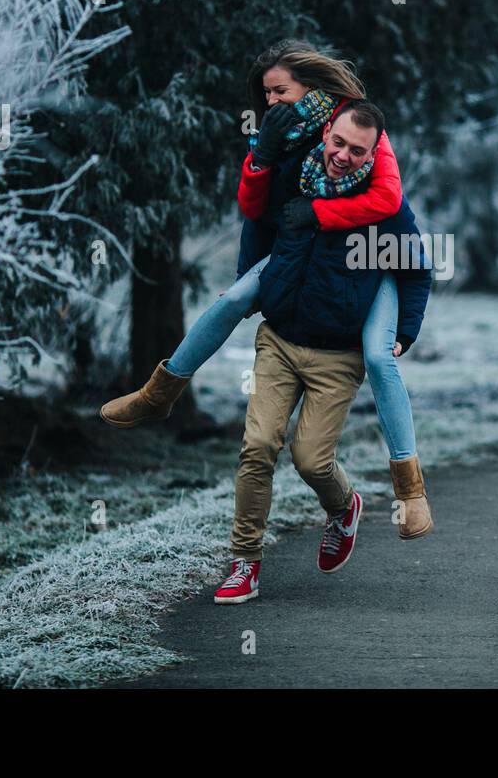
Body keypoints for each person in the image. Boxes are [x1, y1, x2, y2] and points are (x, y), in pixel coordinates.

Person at [99, 40, 431, 537]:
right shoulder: (288, 141)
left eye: (280, 90)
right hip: (301, 259)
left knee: (381, 357)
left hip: (370, 264)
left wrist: (405, 326)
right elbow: (256, 215)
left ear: (310, 89)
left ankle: (410, 490)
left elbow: (391, 206)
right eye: (266, 93)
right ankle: (158, 392)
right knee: (232, 300)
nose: (271, 100)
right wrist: (251, 270)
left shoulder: (353, 125)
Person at [213, 101, 433, 604]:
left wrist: (406, 332)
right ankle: (244, 562)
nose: (343, 156)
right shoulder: (297, 178)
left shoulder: (387, 209)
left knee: (310, 460)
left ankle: (343, 507)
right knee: (257, 446)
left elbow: (417, 270)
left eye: (358, 151)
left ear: (374, 154)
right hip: (280, 340)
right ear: (325, 134)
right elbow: (256, 222)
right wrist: (249, 287)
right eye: (338, 142)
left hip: (338, 357)